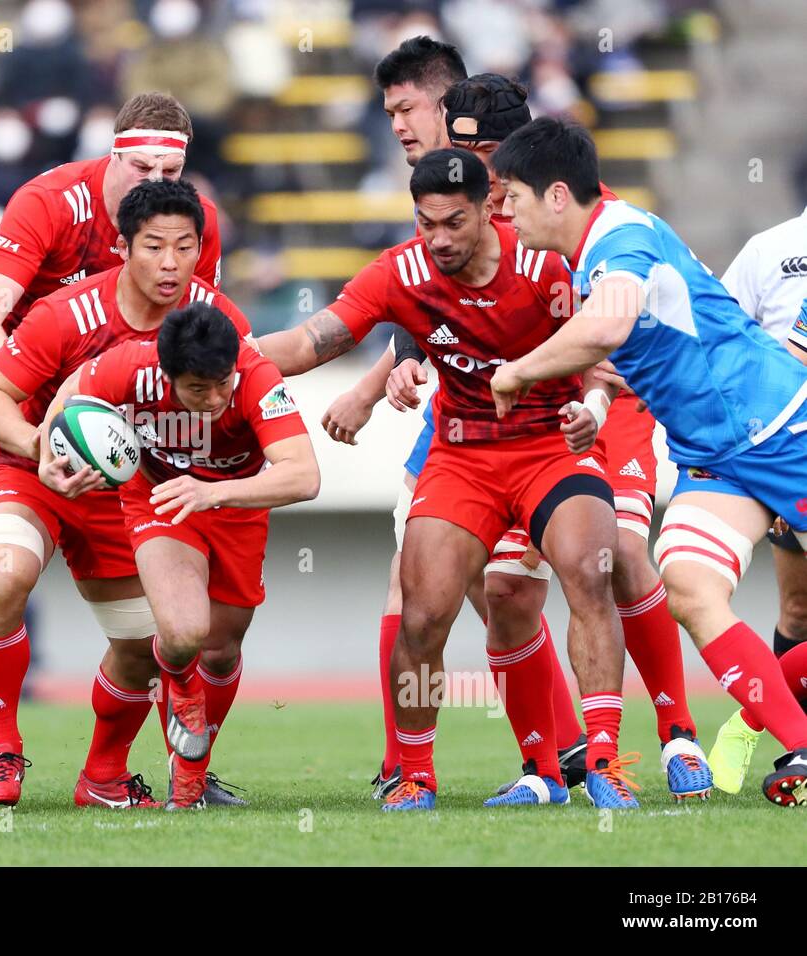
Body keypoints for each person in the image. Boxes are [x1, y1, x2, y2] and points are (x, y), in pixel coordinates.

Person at [260, 148, 638, 810]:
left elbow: (603, 348)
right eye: (424, 222)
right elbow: (308, 343)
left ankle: (605, 759)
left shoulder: (547, 264)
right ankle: (414, 773)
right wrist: (205, 351)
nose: (437, 239)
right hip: (463, 455)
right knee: (424, 610)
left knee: (589, 569)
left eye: (452, 224)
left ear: (489, 209)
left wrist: (594, 405)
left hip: (552, 444)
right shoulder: (400, 272)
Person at [387, 73, 708, 799]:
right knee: (497, 589)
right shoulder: (459, 216)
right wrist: (397, 366)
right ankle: (546, 768)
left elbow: (619, 339)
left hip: (606, 408)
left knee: (618, 552)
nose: (488, 181)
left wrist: (576, 386)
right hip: (501, 423)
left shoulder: (589, 224)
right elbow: (423, 303)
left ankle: (677, 735)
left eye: (494, 159)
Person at [0, 92, 230, 802]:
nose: (152, 178)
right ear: (111, 153)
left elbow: (200, 343)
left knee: (151, 637)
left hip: (108, 425)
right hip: (5, 398)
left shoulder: (184, 222)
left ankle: (106, 775)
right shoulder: (49, 201)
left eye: (168, 166)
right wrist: (49, 387)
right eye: (139, 163)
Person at [490, 116, 807, 807]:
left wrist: (514, 373)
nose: (503, 211)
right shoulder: (594, 257)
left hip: (782, 429)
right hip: (714, 455)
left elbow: (606, 326)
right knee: (689, 585)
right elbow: (615, 353)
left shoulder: (620, 236)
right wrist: (594, 410)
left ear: (554, 196)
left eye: (511, 194)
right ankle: (800, 744)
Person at [0, 179, 251, 810]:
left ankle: (102, 778)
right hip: (33, 471)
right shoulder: (66, 312)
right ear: (122, 247)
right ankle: (2, 748)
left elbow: (249, 390)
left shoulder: (215, 321)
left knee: (148, 648)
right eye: (155, 247)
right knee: (4, 576)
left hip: (130, 497)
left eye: (186, 247)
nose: (172, 263)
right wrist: (45, 453)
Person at [55, 302, 318, 807]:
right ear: (166, 373)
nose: (217, 397)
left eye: (223, 383)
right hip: (160, 499)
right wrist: (50, 451)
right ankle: (184, 708)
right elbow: (71, 396)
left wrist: (212, 492)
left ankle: (194, 771)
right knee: (182, 634)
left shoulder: (256, 375)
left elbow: (305, 475)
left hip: (236, 504)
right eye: (199, 389)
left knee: (221, 648)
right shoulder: (128, 367)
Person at [689, 208, 807, 792]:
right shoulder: (772, 249)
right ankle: (782, 737)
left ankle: (747, 724)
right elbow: (732, 341)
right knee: (799, 611)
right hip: (793, 451)